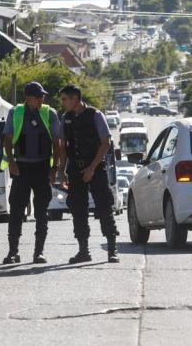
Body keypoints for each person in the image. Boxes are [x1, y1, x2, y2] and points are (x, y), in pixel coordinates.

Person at [2, 81, 63, 264]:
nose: (42, 99)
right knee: (16, 211)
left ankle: (39, 252)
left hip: (42, 168)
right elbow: (7, 139)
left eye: (42, 96)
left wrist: (54, 170)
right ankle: (13, 252)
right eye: (39, 97)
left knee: (42, 212)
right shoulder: (16, 113)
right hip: (21, 168)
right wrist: (11, 162)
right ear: (29, 99)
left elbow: (57, 143)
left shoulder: (49, 113)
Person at [59, 84, 120, 264]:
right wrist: (62, 170)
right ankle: (83, 251)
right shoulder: (66, 118)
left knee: (104, 207)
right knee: (78, 209)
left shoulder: (95, 115)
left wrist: (92, 168)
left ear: (75, 98)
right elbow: (63, 147)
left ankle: (112, 249)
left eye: (65, 99)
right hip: (75, 171)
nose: (62, 103)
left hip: (96, 169)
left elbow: (105, 143)